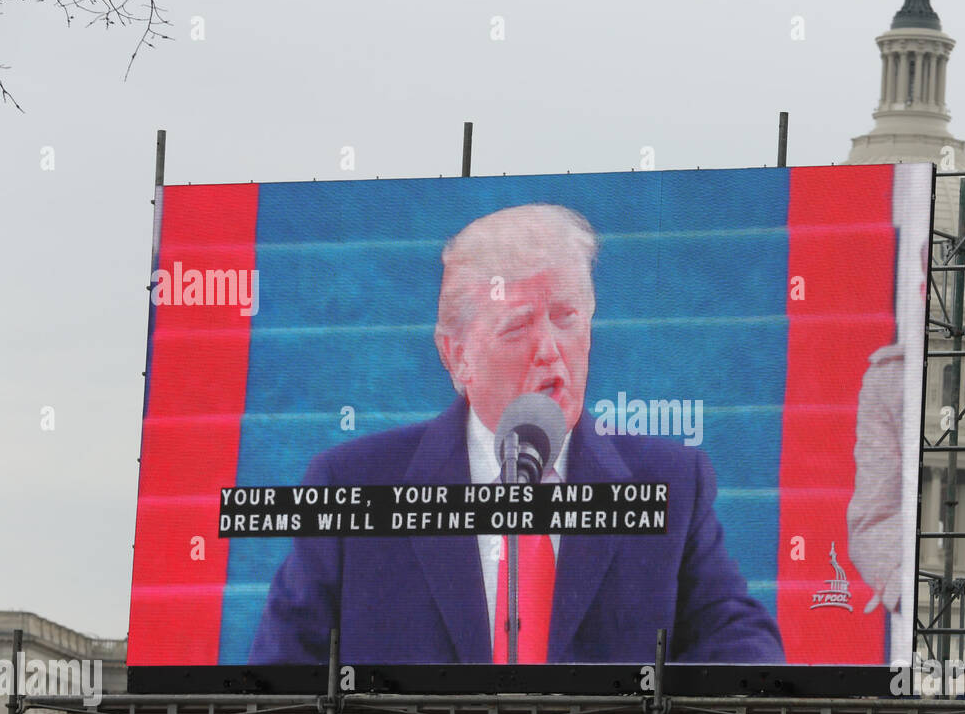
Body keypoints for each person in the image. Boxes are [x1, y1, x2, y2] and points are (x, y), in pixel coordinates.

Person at [250, 203, 784, 666]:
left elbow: (747, 654)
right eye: (518, 325)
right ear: (456, 355)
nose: (550, 348)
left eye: (567, 317)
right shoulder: (353, 484)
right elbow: (278, 679)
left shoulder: (671, 484)